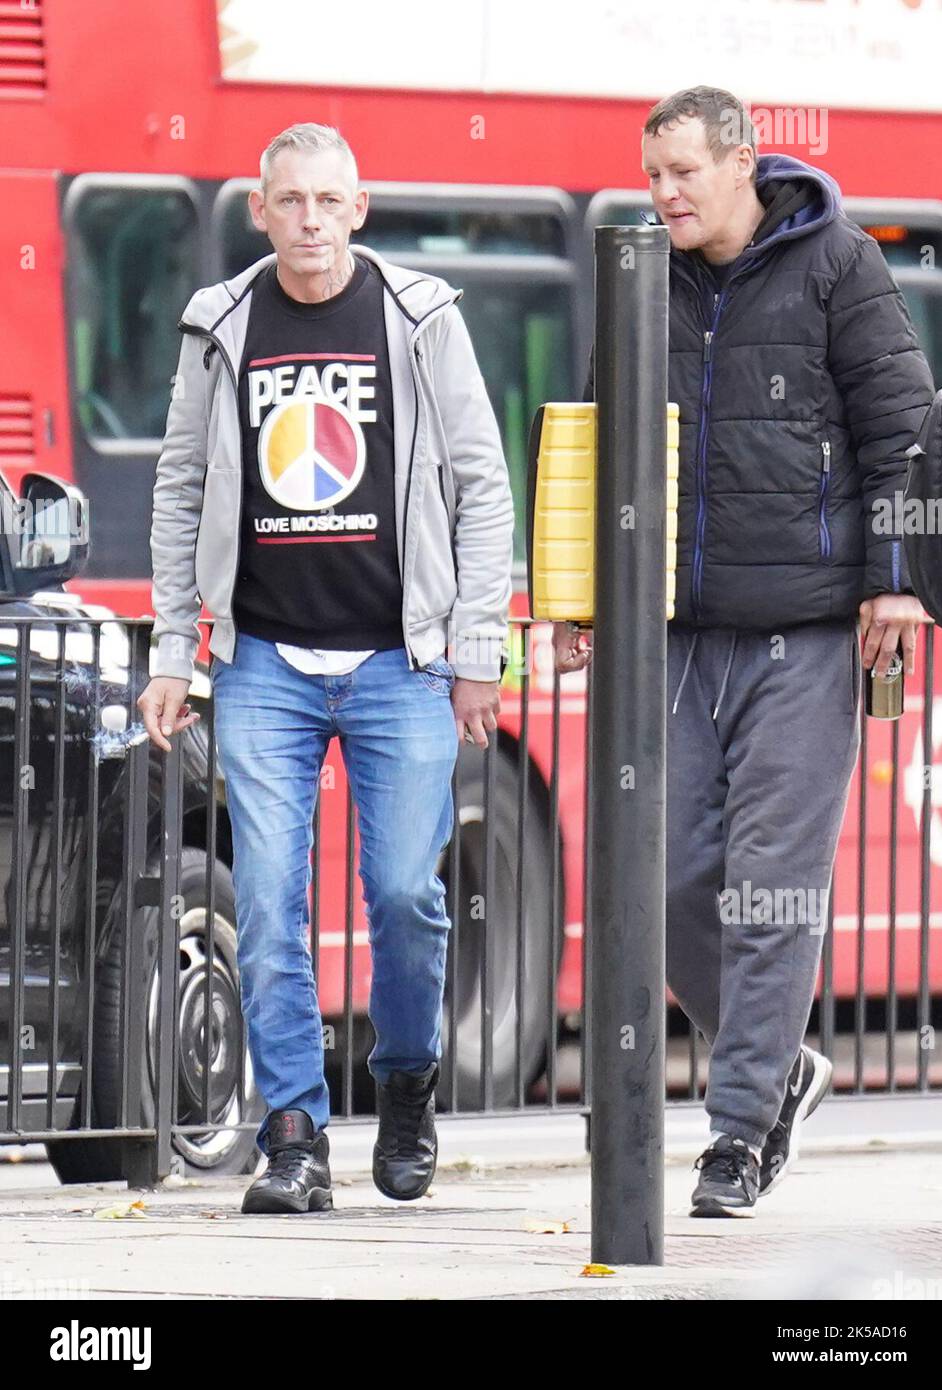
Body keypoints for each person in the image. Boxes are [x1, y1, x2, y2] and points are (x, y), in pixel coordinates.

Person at [555, 86, 935, 1216]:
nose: (661, 193)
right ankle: (787, 1067)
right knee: (661, 879)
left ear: (741, 166)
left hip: (806, 633)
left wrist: (900, 584)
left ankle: (738, 1130)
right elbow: (597, 436)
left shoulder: (840, 265)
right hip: (670, 633)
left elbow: (904, 431)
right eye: (650, 174)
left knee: (773, 883)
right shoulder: (640, 277)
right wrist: (580, 594)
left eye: (680, 172)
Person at [137, 123, 513, 1214]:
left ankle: (403, 1085)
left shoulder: (420, 317)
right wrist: (173, 647)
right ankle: (294, 1131)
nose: (308, 220)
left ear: (359, 207)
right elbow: (176, 487)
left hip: (403, 662)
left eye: (327, 202)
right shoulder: (221, 326)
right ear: (260, 209)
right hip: (264, 664)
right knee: (267, 901)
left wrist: (477, 649)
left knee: (402, 892)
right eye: (288, 201)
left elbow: (483, 485)